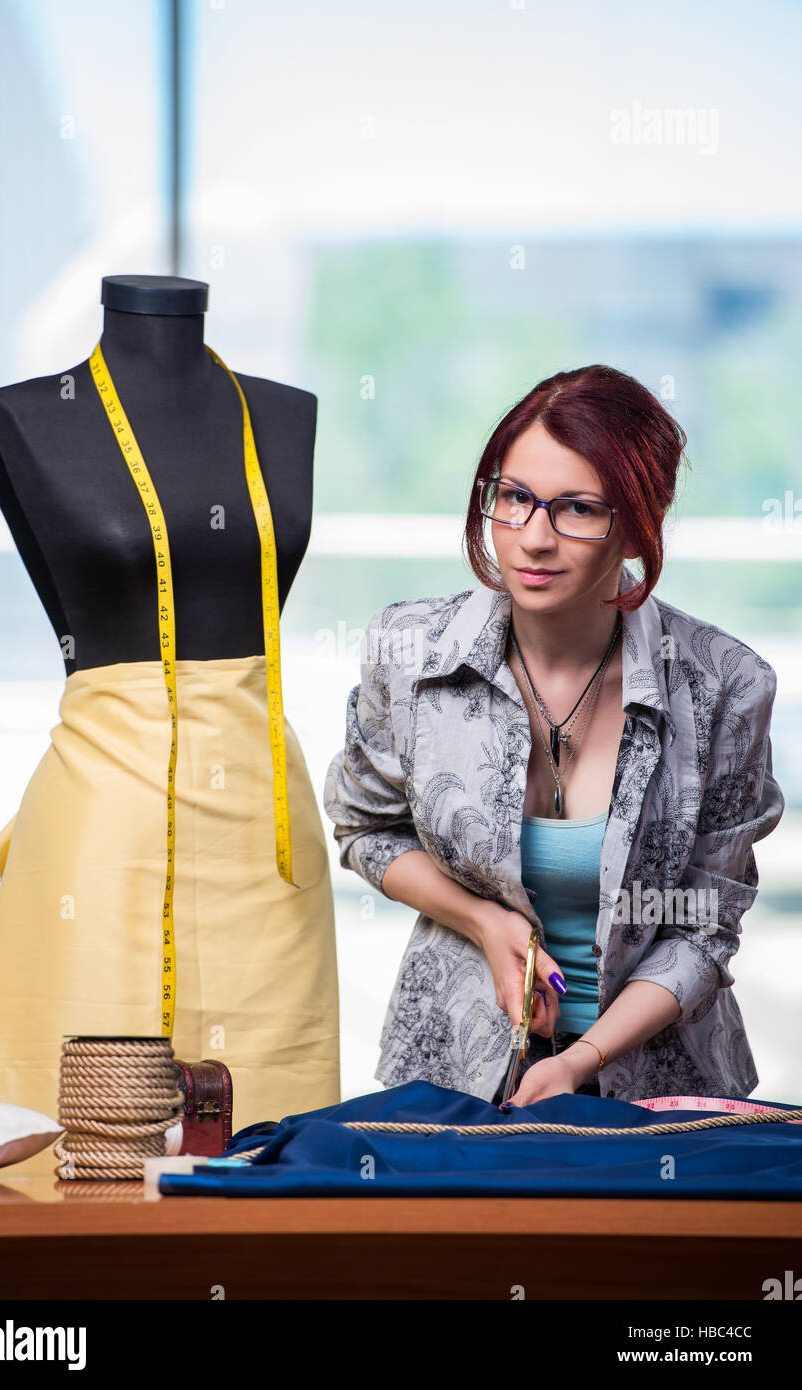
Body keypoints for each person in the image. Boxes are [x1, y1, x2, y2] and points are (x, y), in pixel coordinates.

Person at [323, 364, 785, 1108]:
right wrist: (481, 919)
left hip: (659, 1094)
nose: (533, 538)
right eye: (513, 499)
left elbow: (705, 928)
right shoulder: (406, 651)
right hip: (451, 1075)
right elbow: (365, 829)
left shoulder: (725, 684)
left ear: (637, 521)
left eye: (576, 508)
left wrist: (581, 1061)